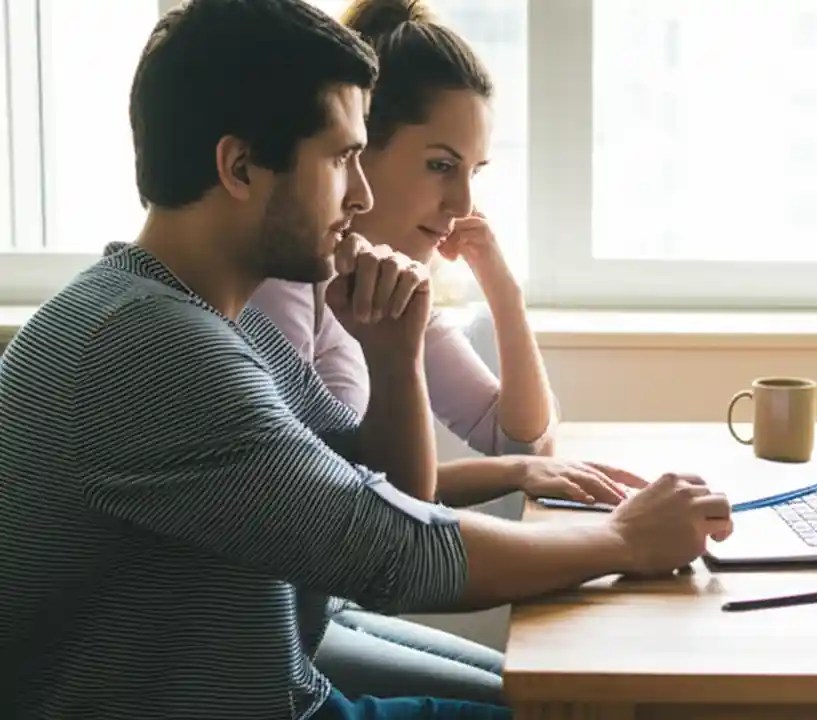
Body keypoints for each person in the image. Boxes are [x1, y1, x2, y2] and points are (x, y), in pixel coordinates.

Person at [0, 1, 733, 718]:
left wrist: (392, 354)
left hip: (286, 691)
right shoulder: (149, 348)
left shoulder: (205, 319)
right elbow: (394, 557)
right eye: (343, 158)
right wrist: (621, 538)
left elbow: (387, 495)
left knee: (561, 696)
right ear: (241, 166)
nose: (360, 195)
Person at [247, 0, 642, 704]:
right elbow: (341, 500)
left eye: (475, 171)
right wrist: (612, 531)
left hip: (326, 608)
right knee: (542, 701)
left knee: (541, 690)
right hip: (282, 626)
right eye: (439, 166)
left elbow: (517, 429)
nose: (462, 201)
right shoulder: (284, 280)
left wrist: (502, 285)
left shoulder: (389, 273)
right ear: (358, 149)